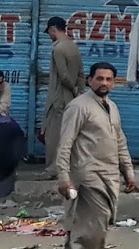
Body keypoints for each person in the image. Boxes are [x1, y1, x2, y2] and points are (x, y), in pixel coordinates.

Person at [55, 62, 138, 249]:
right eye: (99, 78)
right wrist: (63, 178)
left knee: (92, 226)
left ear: (114, 83)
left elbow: (120, 142)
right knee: (93, 227)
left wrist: (129, 173)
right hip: (88, 177)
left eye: (109, 80)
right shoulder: (78, 107)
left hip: (109, 176)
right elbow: (65, 144)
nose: (104, 83)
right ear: (89, 80)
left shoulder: (112, 107)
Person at [42, 16, 84, 179]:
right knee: (69, 134)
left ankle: (53, 169)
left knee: (53, 135)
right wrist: (79, 92)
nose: (49, 36)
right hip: (72, 98)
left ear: (53, 29)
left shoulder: (58, 49)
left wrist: (72, 89)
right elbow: (81, 73)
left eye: (49, 32)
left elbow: (63, 76)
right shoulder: (73, 47)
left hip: (58, 98)